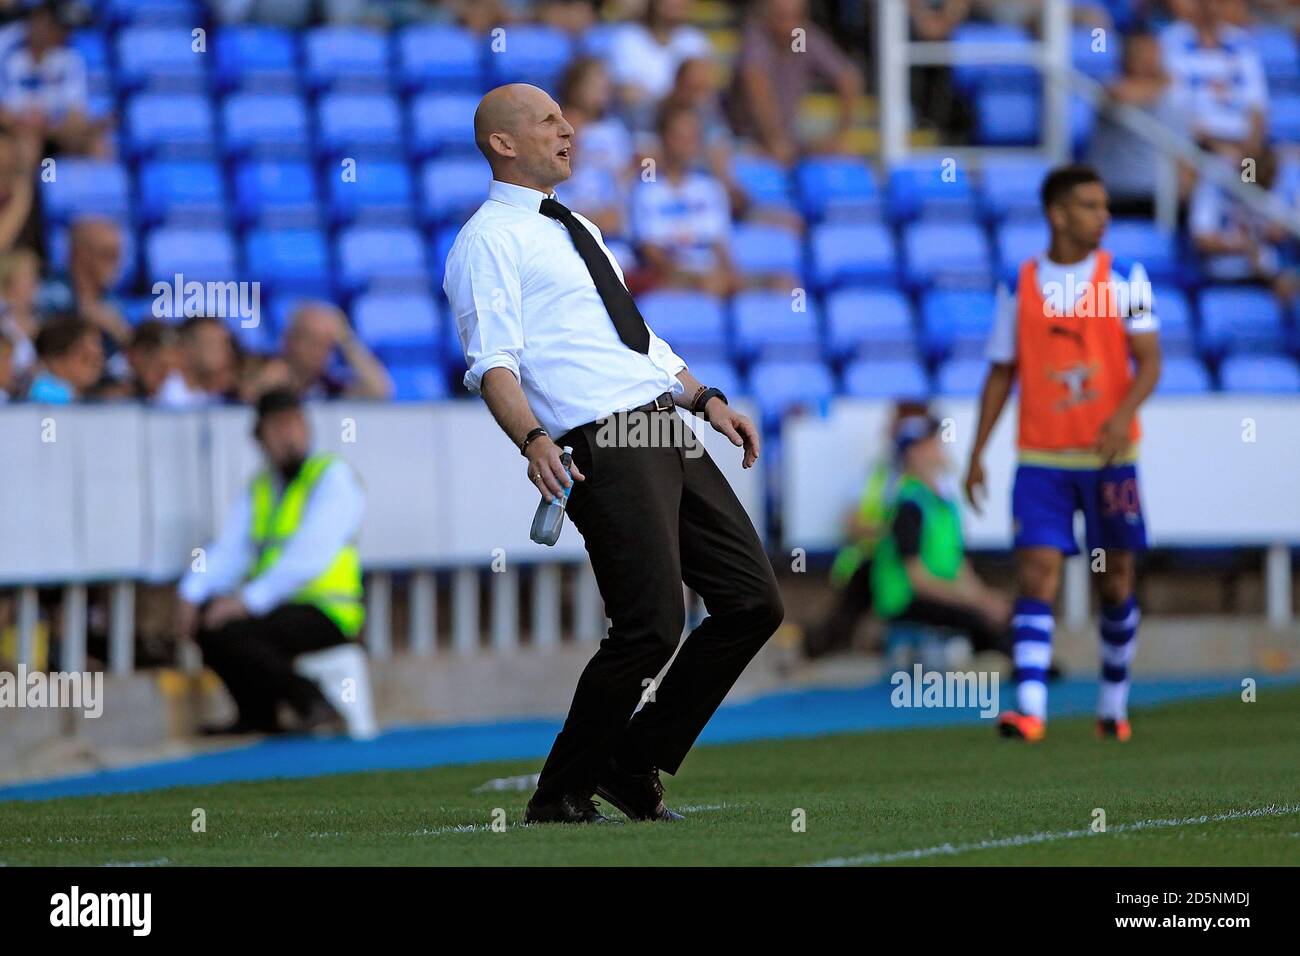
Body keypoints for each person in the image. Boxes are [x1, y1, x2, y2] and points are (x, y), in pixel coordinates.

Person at [444, 83, 782, 824]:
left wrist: (703, 398)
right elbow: (491, 363)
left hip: (662, 423)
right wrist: (533, 439)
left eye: (566, 120)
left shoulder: (579, 228)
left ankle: (630, 764)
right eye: (549, 122)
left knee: (753, 602)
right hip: (602, 438)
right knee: (651, 624)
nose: (569, 132)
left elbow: (637, 339)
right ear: (502, 143)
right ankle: (560, 790)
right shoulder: (486, 241)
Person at [965, 165, 1162, 744]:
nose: (1103, 216)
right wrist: (977, 450)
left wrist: (1123, 414)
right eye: (1090, 206)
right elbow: (1001, 372)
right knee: (1036, 571)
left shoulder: (1126, 277)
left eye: (1105, 206)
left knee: (1116, 578)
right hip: (1042, 458)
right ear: (1058, 214)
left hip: (1110, 456)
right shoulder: (1020, 284)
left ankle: (1113, 701)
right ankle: (1030, 708)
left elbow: (1149, 361)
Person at [177, 388, 366, 736]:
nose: (288, 436)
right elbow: (230, 550)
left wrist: (246, 601)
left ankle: (313, 702)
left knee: (234, 631)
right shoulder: (261, 487)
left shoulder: (332, 478)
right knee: (208, 623)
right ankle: (258, 714)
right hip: (278, 606)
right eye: (276, 428)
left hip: (328, 611)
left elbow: (308, 557)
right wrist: (192, 591)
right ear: (260, 438)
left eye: (293, 424)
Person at [871, 414, 1011, 655]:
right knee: (980, 621)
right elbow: (918, 580)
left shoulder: (947, 505)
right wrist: (977, 602)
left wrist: (985, 598)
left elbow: (960, 568)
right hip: (906, 599)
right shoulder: (909, 505)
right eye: (930, 444)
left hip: (940, 592)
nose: (939, 448)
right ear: (913, 454)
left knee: (1008, 611)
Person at [802, 399, 930, 660]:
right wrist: (893, 533)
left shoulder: (934, 480)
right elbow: (851, 520)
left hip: (915, 568)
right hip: (878, 564)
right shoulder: (880, 474)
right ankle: (832, 642)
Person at [726, 0, 863, 164]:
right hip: (740, 137)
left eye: (795, 17)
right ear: (767, 17)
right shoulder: (757, 36)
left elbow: (848, 79)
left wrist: (839, 135)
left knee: (844, 155)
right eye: (782, 17)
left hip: (789, 136)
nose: (790, 25)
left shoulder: (801, 40)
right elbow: (756, 83)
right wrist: (775, 140)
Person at [630, 103, 741, 296]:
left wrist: (730, 276)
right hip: (672, 278)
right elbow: (651, 252)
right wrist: (690, 278)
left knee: (782, 282)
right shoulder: (645, 191)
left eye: (692, 137)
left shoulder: (711, 188)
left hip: (710, 274)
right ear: (664, 139)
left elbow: (721, 245)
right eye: (680, 137)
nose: (687, 143)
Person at [280, 301, 393, 400]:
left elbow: (379, 391)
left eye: (326, 344)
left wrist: (346, 340)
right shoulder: (267, 377)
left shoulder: (328, 388)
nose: (317, 350)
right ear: (289, 339)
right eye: (311, 339)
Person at [26, 314, 100, 402]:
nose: (97, 365)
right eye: (85, 358)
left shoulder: (74, 394)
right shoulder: (47, 394)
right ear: (56, 359)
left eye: (98, 358)